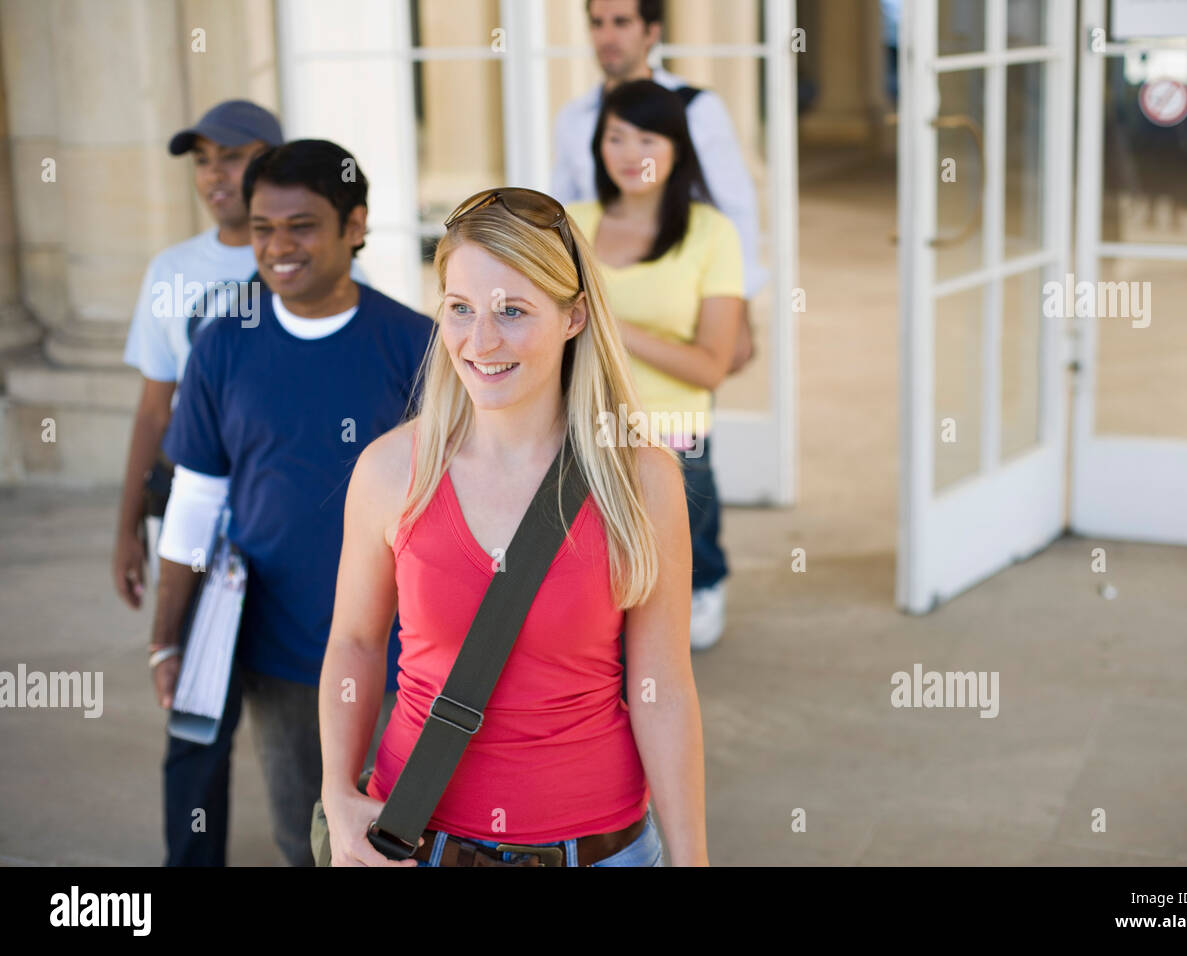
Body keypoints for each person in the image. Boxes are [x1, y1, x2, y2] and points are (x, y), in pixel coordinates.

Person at [319, 186, 707, 867]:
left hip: (599, 848)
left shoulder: (642, 480)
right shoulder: (391, 471)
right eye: (460, 308)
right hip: (417, 842)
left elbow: (664, 687)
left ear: (574, 317)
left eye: (513, 311)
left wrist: (692, 858)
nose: (481, 340)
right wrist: (336, 792)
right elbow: (354, 642)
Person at [149, 139, 433, 866]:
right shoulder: (221, 344)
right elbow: (195, 498)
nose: (277, 247)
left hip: (410, 653)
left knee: (414, 840)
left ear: (355, 225)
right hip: (275, 651)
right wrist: (168, 635)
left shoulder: (420, 346)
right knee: (304, 838)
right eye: (262, 228)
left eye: (301, 226)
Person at [112, 99, 283, 868]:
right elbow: (153, 411)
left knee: (306, 715)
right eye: (204, 160)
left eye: (236, 156)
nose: (217, 175)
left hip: (281, 516)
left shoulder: (305, 258)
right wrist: (126, 529)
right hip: (191, 515)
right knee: (194, 711)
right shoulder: (172, 271)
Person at [565, 79, 743, 651]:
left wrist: (610, 324)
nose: (630, 153)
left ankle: (704, 583)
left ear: (677, 149)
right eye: (615, 137)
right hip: (578, 423)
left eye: (648, 138)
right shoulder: (569, 223)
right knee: (586, 592)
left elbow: (710, 366)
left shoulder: (711, 233)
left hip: (672, 434)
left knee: (665, 603)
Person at [551, 0, 765, 365]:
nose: (607, 36)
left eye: (621, 22)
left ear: (652, 31)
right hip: (602, 287)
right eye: (597, 24)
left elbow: (735, 207)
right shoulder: (574, 117)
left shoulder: (697, 108)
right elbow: (559, 210)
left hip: (676, 287)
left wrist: (738, 304)